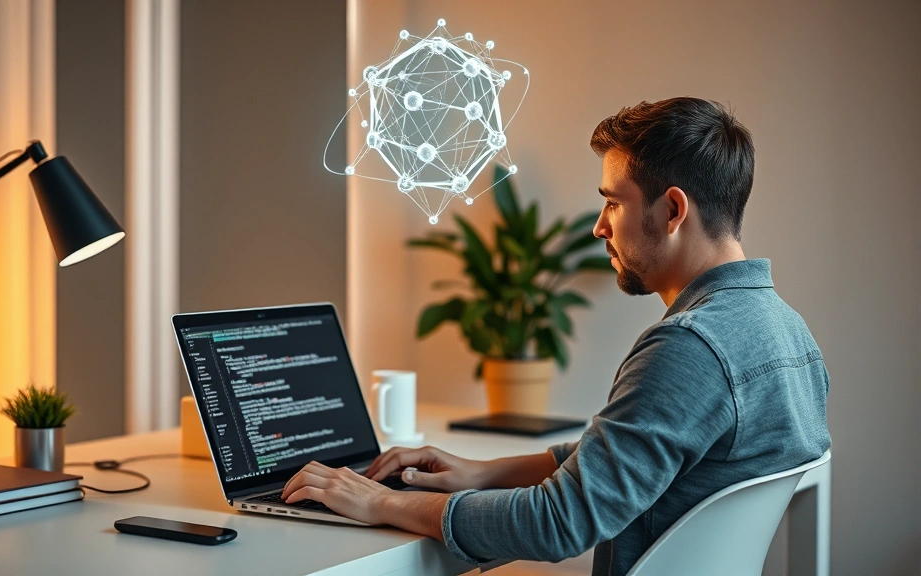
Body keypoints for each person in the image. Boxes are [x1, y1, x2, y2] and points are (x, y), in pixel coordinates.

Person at [281, 97, 831, 576]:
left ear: (672, 210)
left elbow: (556, 523)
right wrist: (481, 472)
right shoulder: (787, 331)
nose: (599, 226)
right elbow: (627, 454)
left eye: (613, 202)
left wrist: (382, 503)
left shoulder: (690, 348)